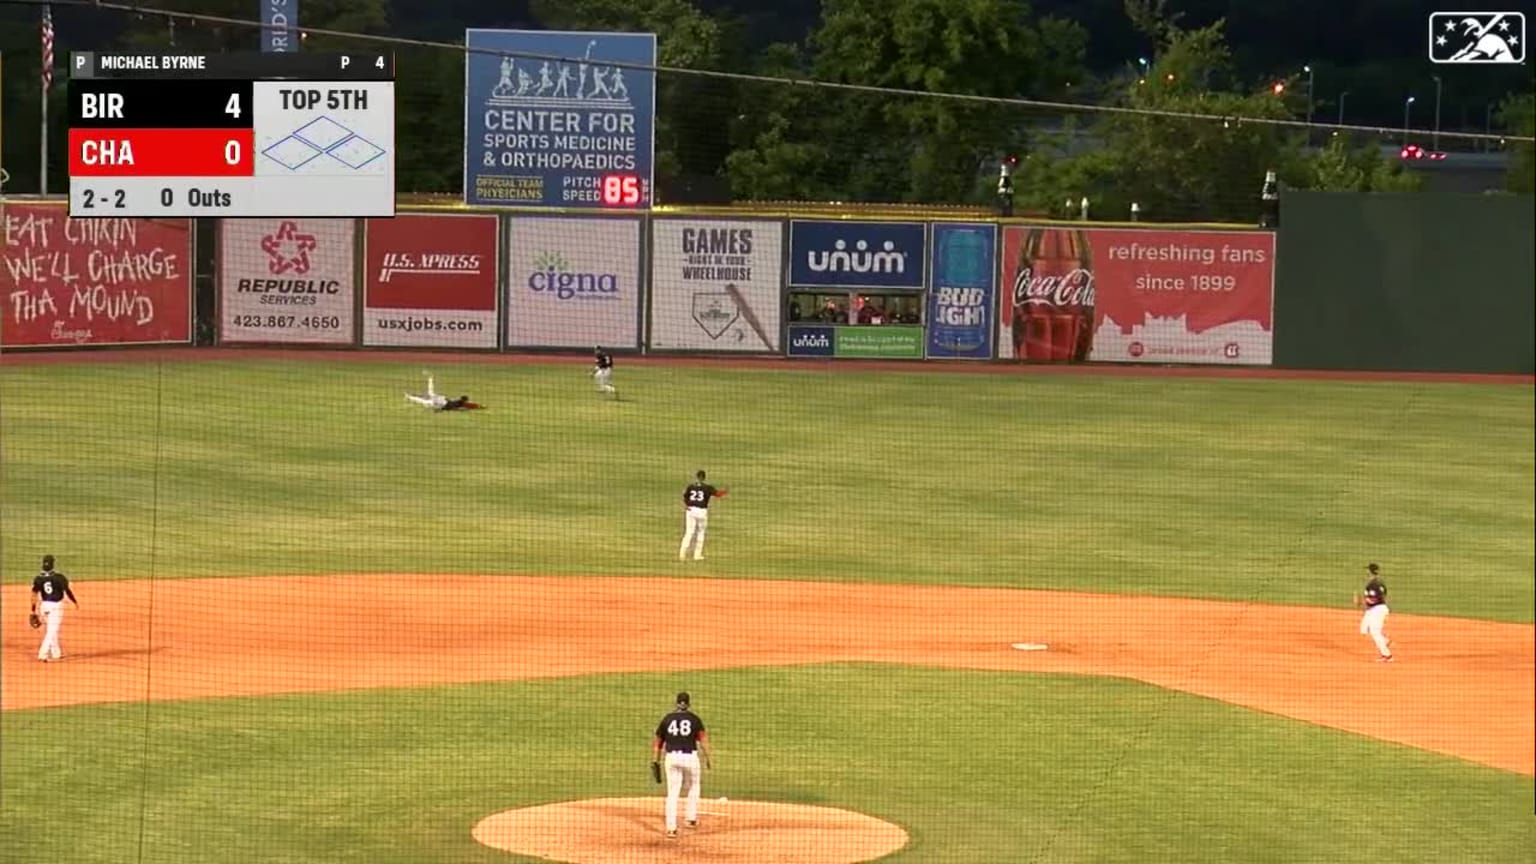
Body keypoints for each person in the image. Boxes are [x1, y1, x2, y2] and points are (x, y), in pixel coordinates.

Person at [652, 691, 712, 838]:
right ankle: (691, 818)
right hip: (690, 757)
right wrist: (708, 757)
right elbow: (703, 740)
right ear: (688, 704)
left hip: (671, 758)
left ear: (677, 703)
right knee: (694, 785)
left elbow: (658, 743)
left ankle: (671, 829)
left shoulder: (667, 719)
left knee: (672, 792)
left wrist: (655, 760)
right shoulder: (694, 719)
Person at [31, 554, 79, 662]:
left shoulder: (38, 579)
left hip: (44, 607)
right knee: (52, 631)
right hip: (56, 607)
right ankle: (42, 654)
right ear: (53, 564)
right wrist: (74, 601)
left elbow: (33, 595)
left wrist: (32, 610)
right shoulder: (59, 578)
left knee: (51, 629)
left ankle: (56, 653)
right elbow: (67, 591)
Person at [679, 470, 727, 561]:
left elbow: (685, 497)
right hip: (701, 511)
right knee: (700, 532)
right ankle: (697, 555)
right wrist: (725, 491)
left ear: (697, 477)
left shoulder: (691, 487)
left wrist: (687, 505)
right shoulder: (707, 488)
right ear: (704, 478)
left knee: (689, 532)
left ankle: (682, 553)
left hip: (691, 510)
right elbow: (718, 494)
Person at [1355, 563, 1393, 662]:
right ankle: (1384, 641)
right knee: (1364, 629)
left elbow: (1373, 600)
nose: (1366, 572)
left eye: (1367, 570)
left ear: (1370, 572)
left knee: (1375, 632)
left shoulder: (1373, 585)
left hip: (1377, 610)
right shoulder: (1379, 583)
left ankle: (1387, 655)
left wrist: (1360, 602)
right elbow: (1382, 596)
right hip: (1374, 609)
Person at [405, 372, 482, 411]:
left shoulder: (460, 402)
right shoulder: (461, 403)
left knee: (428, 396)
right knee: (426, 400)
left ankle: (430, 379)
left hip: (443, 400)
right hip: (442, 403)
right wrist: (480, 407)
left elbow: (471, 405)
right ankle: (410, 396)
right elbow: (471, 406)